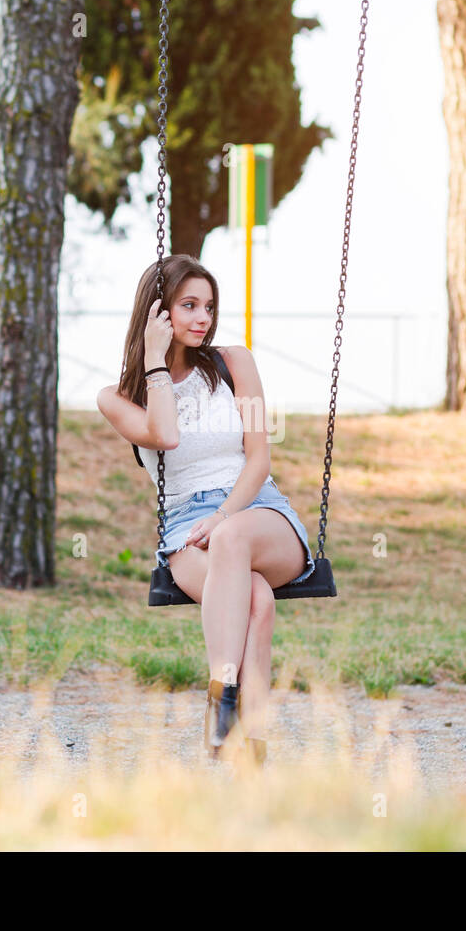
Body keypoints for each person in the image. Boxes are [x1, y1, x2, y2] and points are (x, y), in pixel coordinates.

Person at [97, 254, 317, 766]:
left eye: (209, 306)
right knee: (257, 602)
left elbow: (260, 458)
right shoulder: (115, 398)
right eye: (188, 305)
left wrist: (224, 518)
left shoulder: (236, 363)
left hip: (257, 509)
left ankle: (221, 694)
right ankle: (247, 750)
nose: (203, 318)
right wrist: (155, 362)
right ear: (156, 313)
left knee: (233, 539)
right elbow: (166, 436)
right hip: (184, 528)